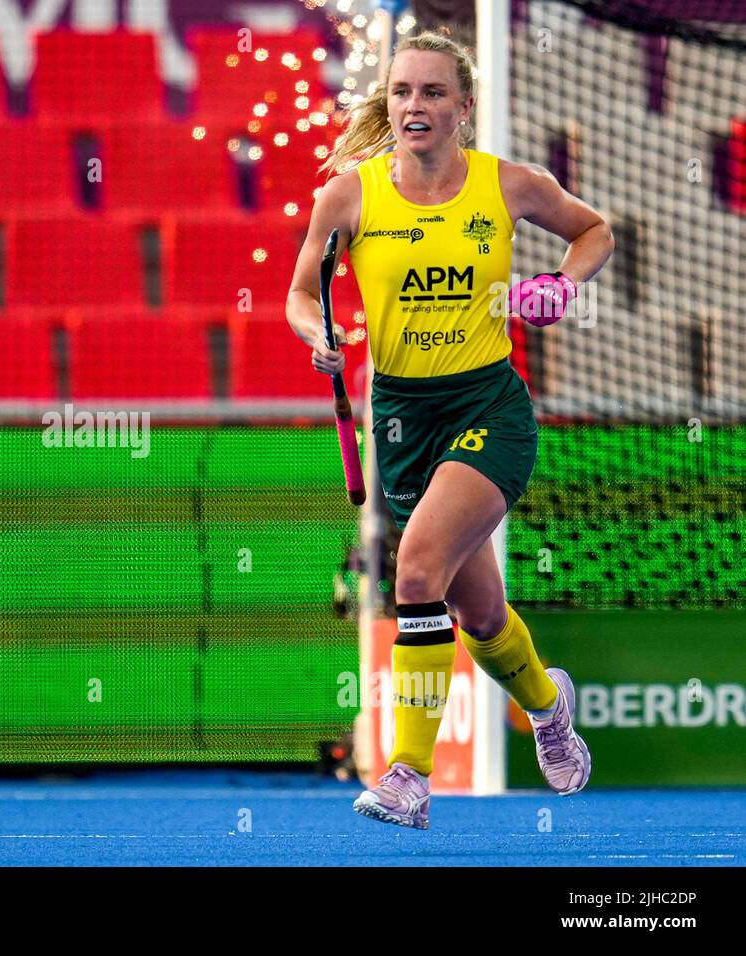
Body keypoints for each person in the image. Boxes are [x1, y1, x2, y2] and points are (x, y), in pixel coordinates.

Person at [285, 30, 615, 829]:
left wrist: (562, 286)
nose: (415, 107)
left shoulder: (509, 186)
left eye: (433, 93)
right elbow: (299, 295)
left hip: (488, 410)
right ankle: (547, 707)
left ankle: (408, 775)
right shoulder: (350, 196)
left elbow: (595, 232)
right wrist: (317, 338)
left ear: (465, 108)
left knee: (416, 573)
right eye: (402, 92)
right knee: (481, 616)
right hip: (401, 420)